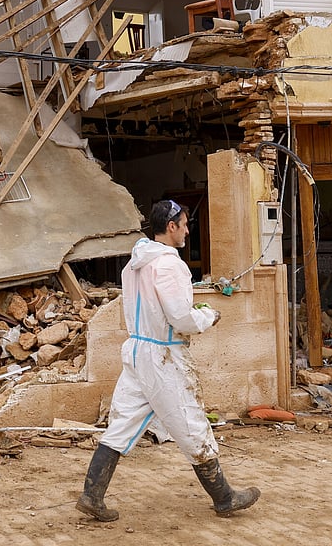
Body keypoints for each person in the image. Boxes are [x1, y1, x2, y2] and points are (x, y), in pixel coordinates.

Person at [76, 199, 260, 522]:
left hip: (137, 351)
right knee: (191, 423)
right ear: (171, 227)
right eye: (185, 224)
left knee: (121, 425)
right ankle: (224, 497)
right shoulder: (170, 265)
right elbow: (180, 318)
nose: (188, 230)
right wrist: (207, 317)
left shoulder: (132, 265)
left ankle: (92, 494)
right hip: (163, 354)